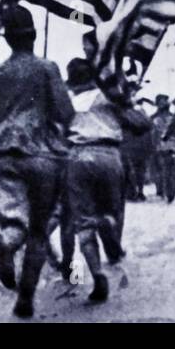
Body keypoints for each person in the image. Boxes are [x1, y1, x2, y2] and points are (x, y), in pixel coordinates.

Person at [0, 5, 75, 318]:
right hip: (41, 155)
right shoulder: (47, 68)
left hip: (1, 157)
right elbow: (65, 113)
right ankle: (26, 298)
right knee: (39, 231)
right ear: (33, 36)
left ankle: (5, 243)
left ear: (5, 40)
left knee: (15, 222)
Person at [62, 58, 128, 302]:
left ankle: (97, 273)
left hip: (78, 156)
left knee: (84, 222)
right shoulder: (108, 98)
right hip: (109, 154)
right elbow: (139, 123)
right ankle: (108, 222)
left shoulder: (66, 103)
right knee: (112, 211)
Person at [151, 95, 175, 202]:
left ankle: (165, 191)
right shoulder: (172, 117)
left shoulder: (154, 118)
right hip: (167, 146)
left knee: (164, 170)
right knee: (167, 170)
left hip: (165, 146)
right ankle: (166, 191)